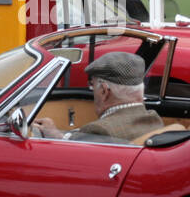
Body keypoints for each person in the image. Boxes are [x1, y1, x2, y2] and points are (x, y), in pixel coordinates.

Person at [32, 51, 165, 143]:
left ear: (104, 91)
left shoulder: (99, 131)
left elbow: (71, 156)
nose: (92, 90)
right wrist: (57, 134)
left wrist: (53, 136)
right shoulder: (154, 119)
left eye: (92, 85)